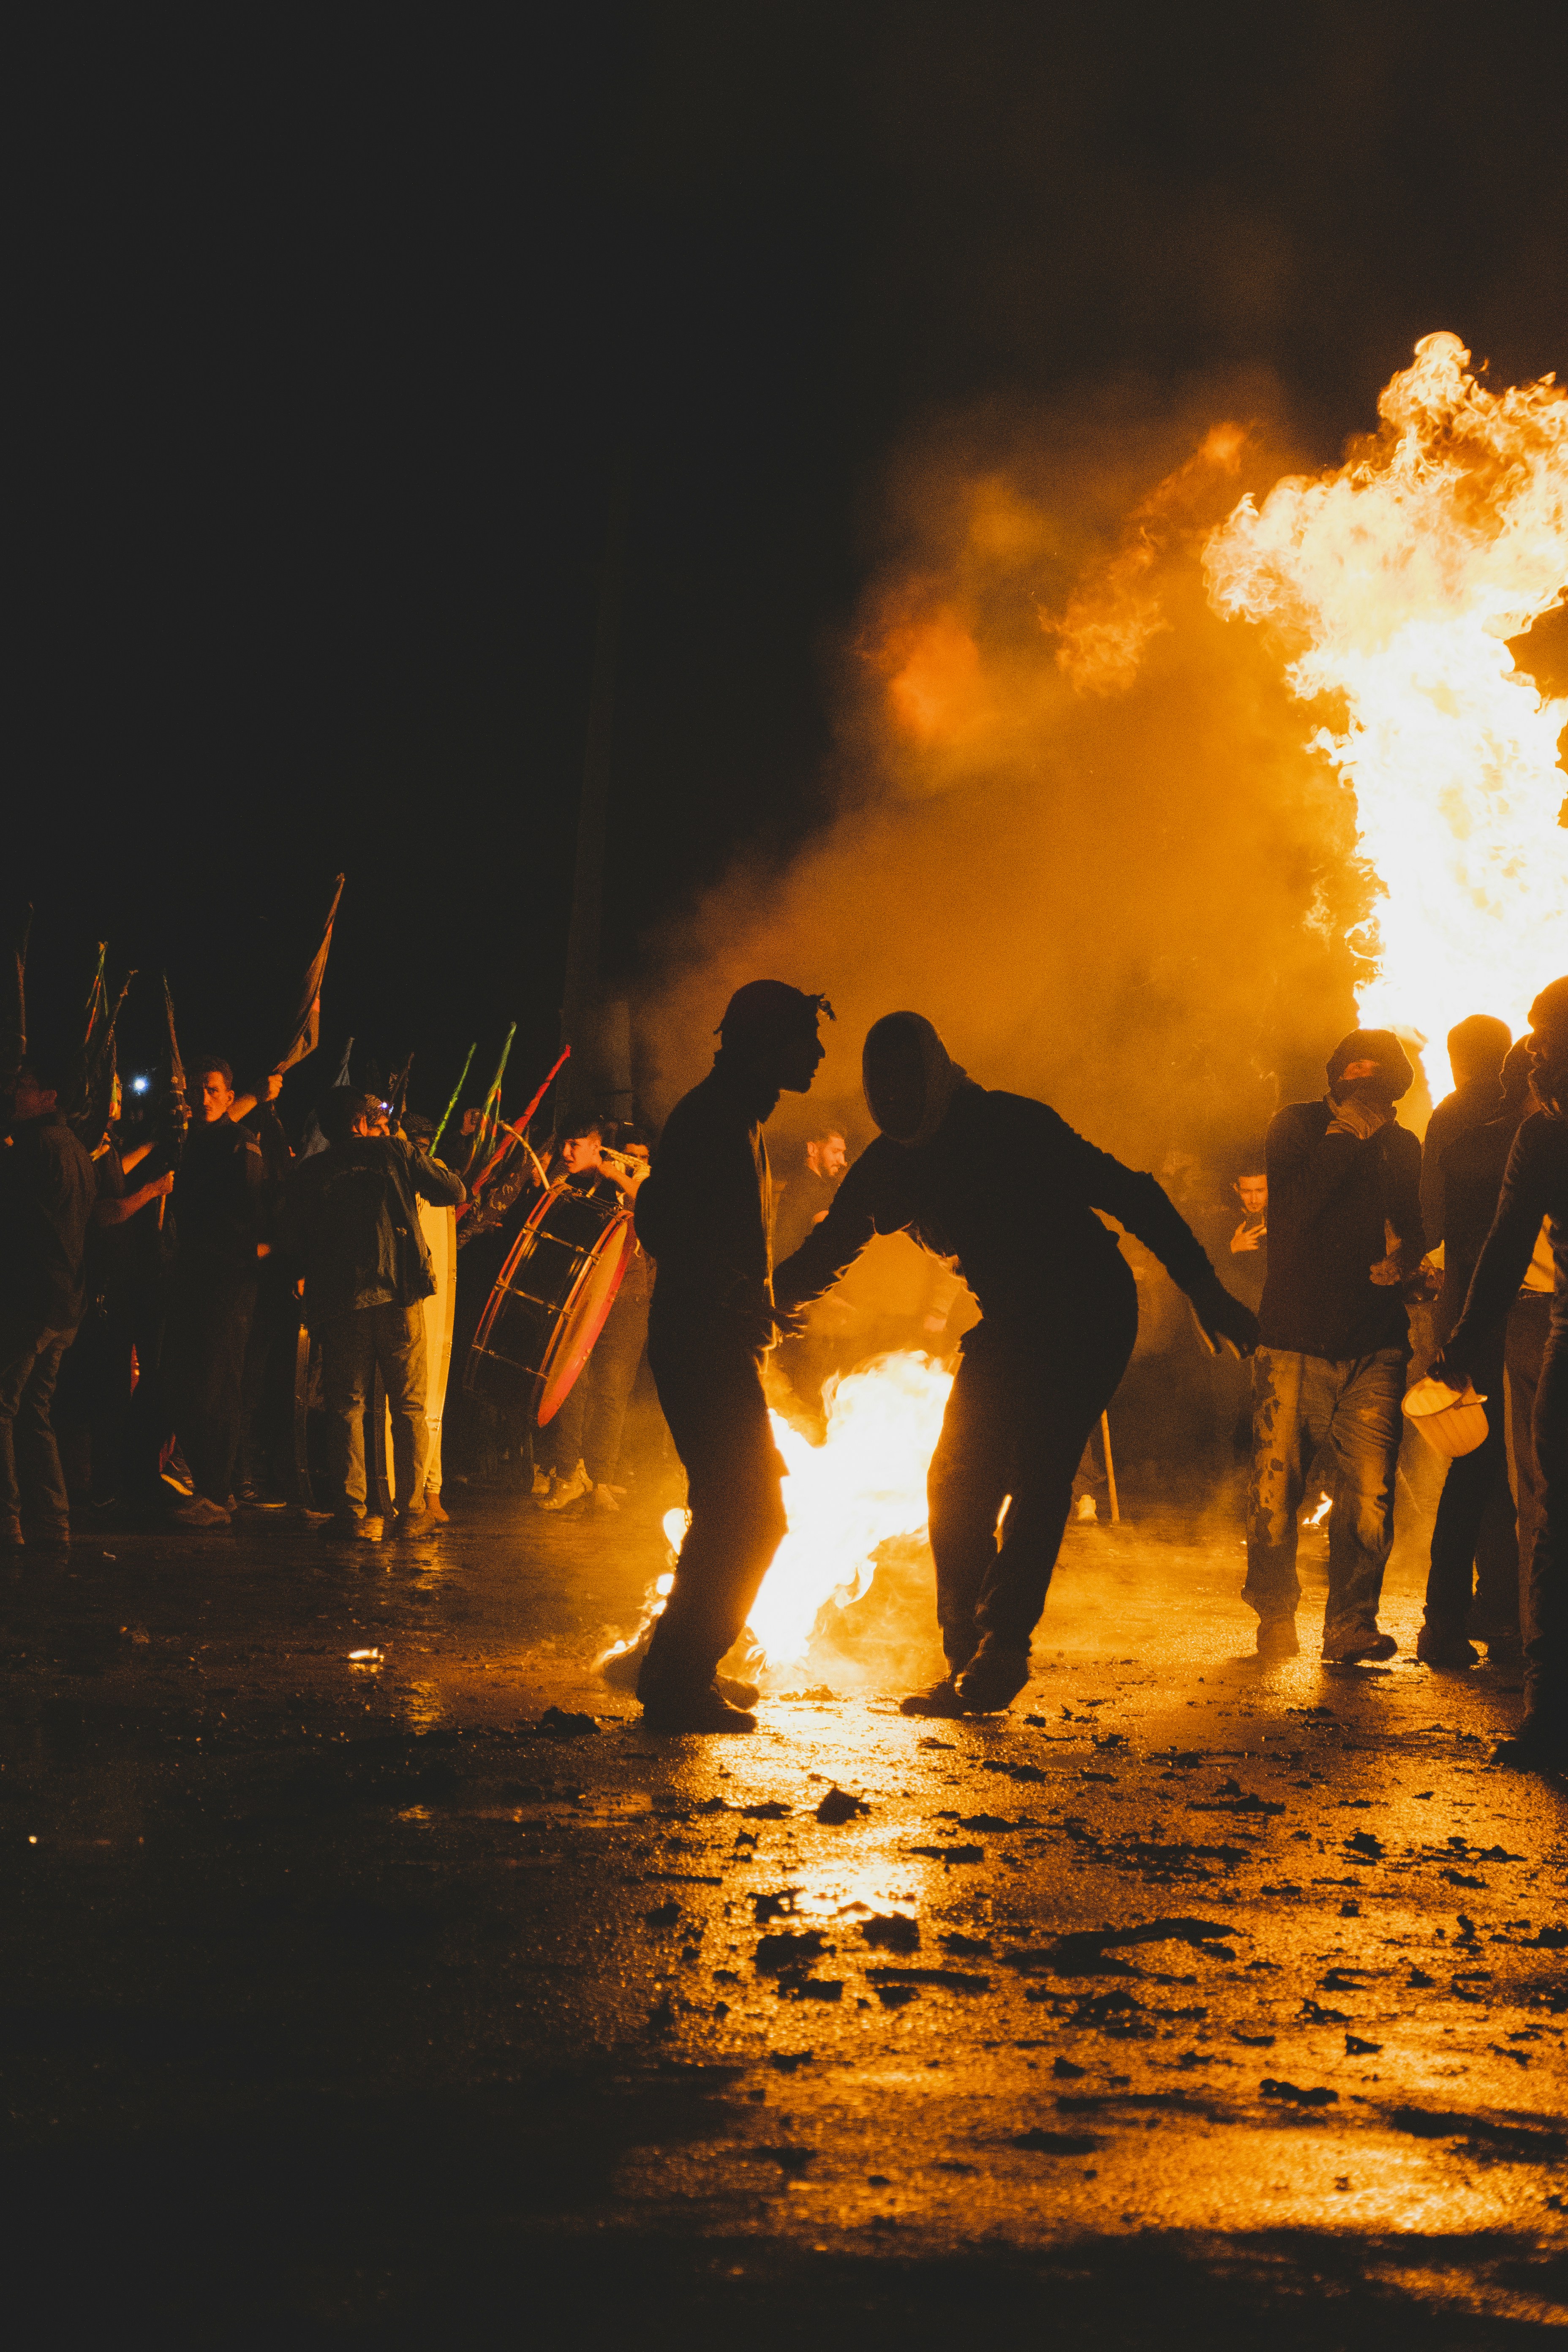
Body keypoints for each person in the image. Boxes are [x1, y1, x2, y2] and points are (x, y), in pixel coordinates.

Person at [774, 1011, 1257, 1716]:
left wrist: (1206, 1289)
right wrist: (756, 1304)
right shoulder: (890, 1162)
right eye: (883, 1083)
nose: (897, 1095)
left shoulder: (1011, 1125)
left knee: (1041, 1470)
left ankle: (1002, 1645)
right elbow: (827, 1254)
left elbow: (1133, 1195)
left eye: (908, 1077)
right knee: (954, 1481)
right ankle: (965, 1657)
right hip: (1009, 1320)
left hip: (1089, 1304)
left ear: (935, 1071)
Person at [632, 980, 830, 1733]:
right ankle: (677, 1677)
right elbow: (661, 1218)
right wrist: (734, 1294)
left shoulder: (735, 1114)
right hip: (699, 1346)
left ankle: (680, 1669)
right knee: (749, 1514)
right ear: (763, 1042)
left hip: (711, 1343)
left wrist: (754, 1300)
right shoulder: (714, 1117)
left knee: (737, 1510)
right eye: (803, 1040)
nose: (815, 1054)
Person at [1246, 1029, 1430, 1663]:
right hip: (1293, 1339)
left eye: (1377, 1073)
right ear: (1334, 1076)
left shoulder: (1402, 1145)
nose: (1362, 1081)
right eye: (1352, 1069)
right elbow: (1292, 1216)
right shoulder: (1295, 1127)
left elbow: (1417, 1222)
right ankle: (1274, 1615)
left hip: (1375, 1344)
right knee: (1275, 1494)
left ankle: (1350, 1624)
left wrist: (1406, 1258)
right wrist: (1344, 1135)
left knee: (1370, 1499)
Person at [1433, 977, 1568, 1770]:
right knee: (1551, 1523)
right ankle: (1550, 1714)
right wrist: (1462, 1334)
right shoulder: (1541, 1134)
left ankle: (1552, 1718)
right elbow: (1505, 1247)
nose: (1535, 1050)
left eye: (1546, 1035)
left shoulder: (1545, 1135)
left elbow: (1506, 1246)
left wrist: (1462, 1334)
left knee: (1555, 1523)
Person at [285, 1088, 466, 1541]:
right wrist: (401, 1144)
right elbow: (453, 1191)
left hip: (341, 1301)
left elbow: (298, 1235)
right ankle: (410, 1511)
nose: (384, 1127)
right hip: (398, 1294)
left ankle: (352, 1512)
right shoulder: (395, 1151)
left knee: (347, 1406)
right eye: (378, 1121)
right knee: (408, 1405)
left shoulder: (312, 1171)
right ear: (360, 1124)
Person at [1417, 1042, 1532, 1666]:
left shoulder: (1461, 1143)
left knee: (1478, 1471)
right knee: (1522, 1475)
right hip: (1516, 1320)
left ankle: (1451, 1620)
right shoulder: (1537, 1140)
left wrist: (1456, 1334)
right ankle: (1511, 1619)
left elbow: (1447, 1238)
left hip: (1471, 1320)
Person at [164, 1061, 270, 1527]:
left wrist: (246, 1256)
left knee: (217, 1382)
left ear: (229, 1096)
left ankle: (216, 1492)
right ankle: (207, 1485)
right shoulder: (191, 1143)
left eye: (211, 1090)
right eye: (196, 1091)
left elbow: (255, 1210)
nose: (202, 1099)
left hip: (227, 1276)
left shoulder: (238, 1145)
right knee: (194, 1380)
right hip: (193, 1274)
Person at [0, 1055, 97, 1551]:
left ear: (50, 1098)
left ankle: (9, 1520)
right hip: (64, 1303)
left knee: (5, 1407)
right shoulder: (75, 1148)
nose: (16, 1092)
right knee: (34, 1413)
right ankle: (55, 1520)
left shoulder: (32, 1146)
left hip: (28, 1301)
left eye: (27, 1086)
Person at [539, 1124, 653, 1513]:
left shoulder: (639, 1184)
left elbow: (651, 1204)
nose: (568, 1152)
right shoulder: (584, 1184)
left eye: (575, 1145)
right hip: (583, 1301)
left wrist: (620, 1174)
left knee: (612, 1393)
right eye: (567, 1145)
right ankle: (568, 1475)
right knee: (572, 1388)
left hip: (630, 1301)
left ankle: (601, 1479)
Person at [236, 1069, 297, 1508]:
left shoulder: (278, 1178)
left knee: (258, 1385)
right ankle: (237, 1478)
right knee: (243, 1384)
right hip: (244, 1286)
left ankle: (249, 1473)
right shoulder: (244, 1166)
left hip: (270, 1289)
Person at [1420, 1013, 1511, 1251]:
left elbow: (1433, 1189)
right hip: (1535, 1253)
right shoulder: (1532, 1103)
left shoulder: (1451, 1113)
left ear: (1460, 1063)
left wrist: (1424, 1242)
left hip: (1469, 1249)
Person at [773, 1128, 848, 1260]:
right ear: (813, 1149)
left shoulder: (799, 1182)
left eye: (843, 1153)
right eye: (835, 1152)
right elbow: (834, 1241)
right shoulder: (816, 1189)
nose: (842, 1161)